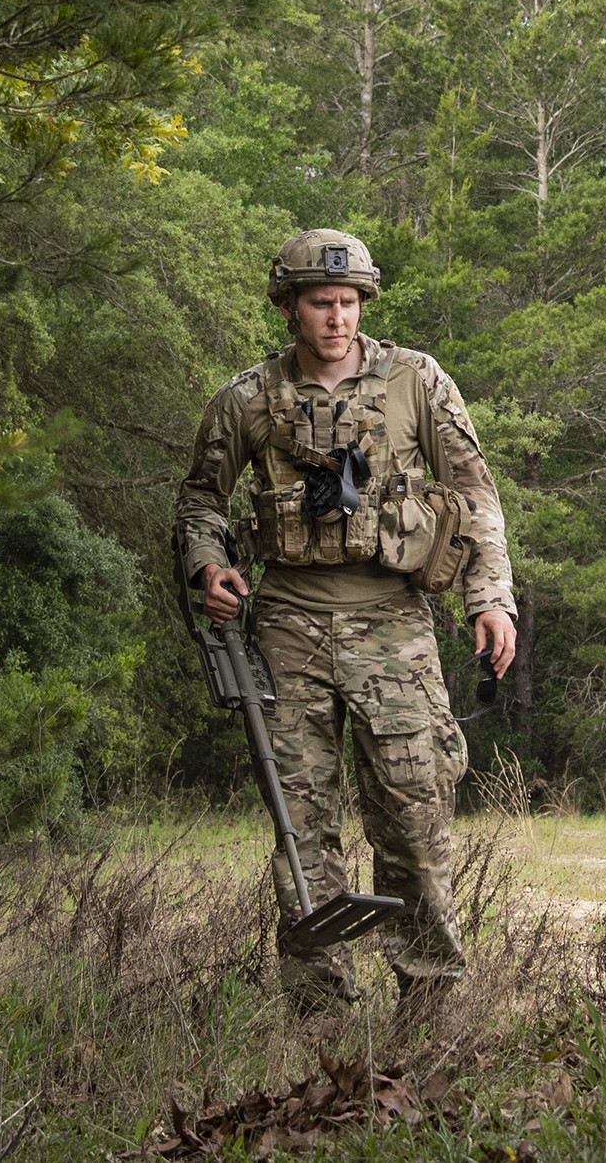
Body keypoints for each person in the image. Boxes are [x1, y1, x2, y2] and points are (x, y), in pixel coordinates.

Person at [175, 229, 519, 1016]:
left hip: (395, 626)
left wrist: (490, 597)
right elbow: (200, 499)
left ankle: (432, 1012)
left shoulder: (416, 381)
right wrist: (208, 565)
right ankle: (321, 1018)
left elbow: (475, 494)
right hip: (288, 626)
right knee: (301, 827)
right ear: (290, 308)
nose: (337, 318)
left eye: (349, 302)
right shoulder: (246, 399)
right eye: (321, 303)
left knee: (414, 816)